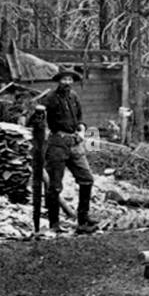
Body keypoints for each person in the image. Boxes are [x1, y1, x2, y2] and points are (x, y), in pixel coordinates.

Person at [38, 69, 97, 235]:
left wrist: (82, 128)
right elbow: (36, 115)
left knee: (87, 179)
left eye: (70, 79)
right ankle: (54, 223)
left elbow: (79, 118)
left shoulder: (74, 97)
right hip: (57, 144)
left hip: (75, 143)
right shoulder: (50, 98)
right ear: (59, 81)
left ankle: (83, 218)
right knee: (55, 186)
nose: (67, 82)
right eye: (64, 79)